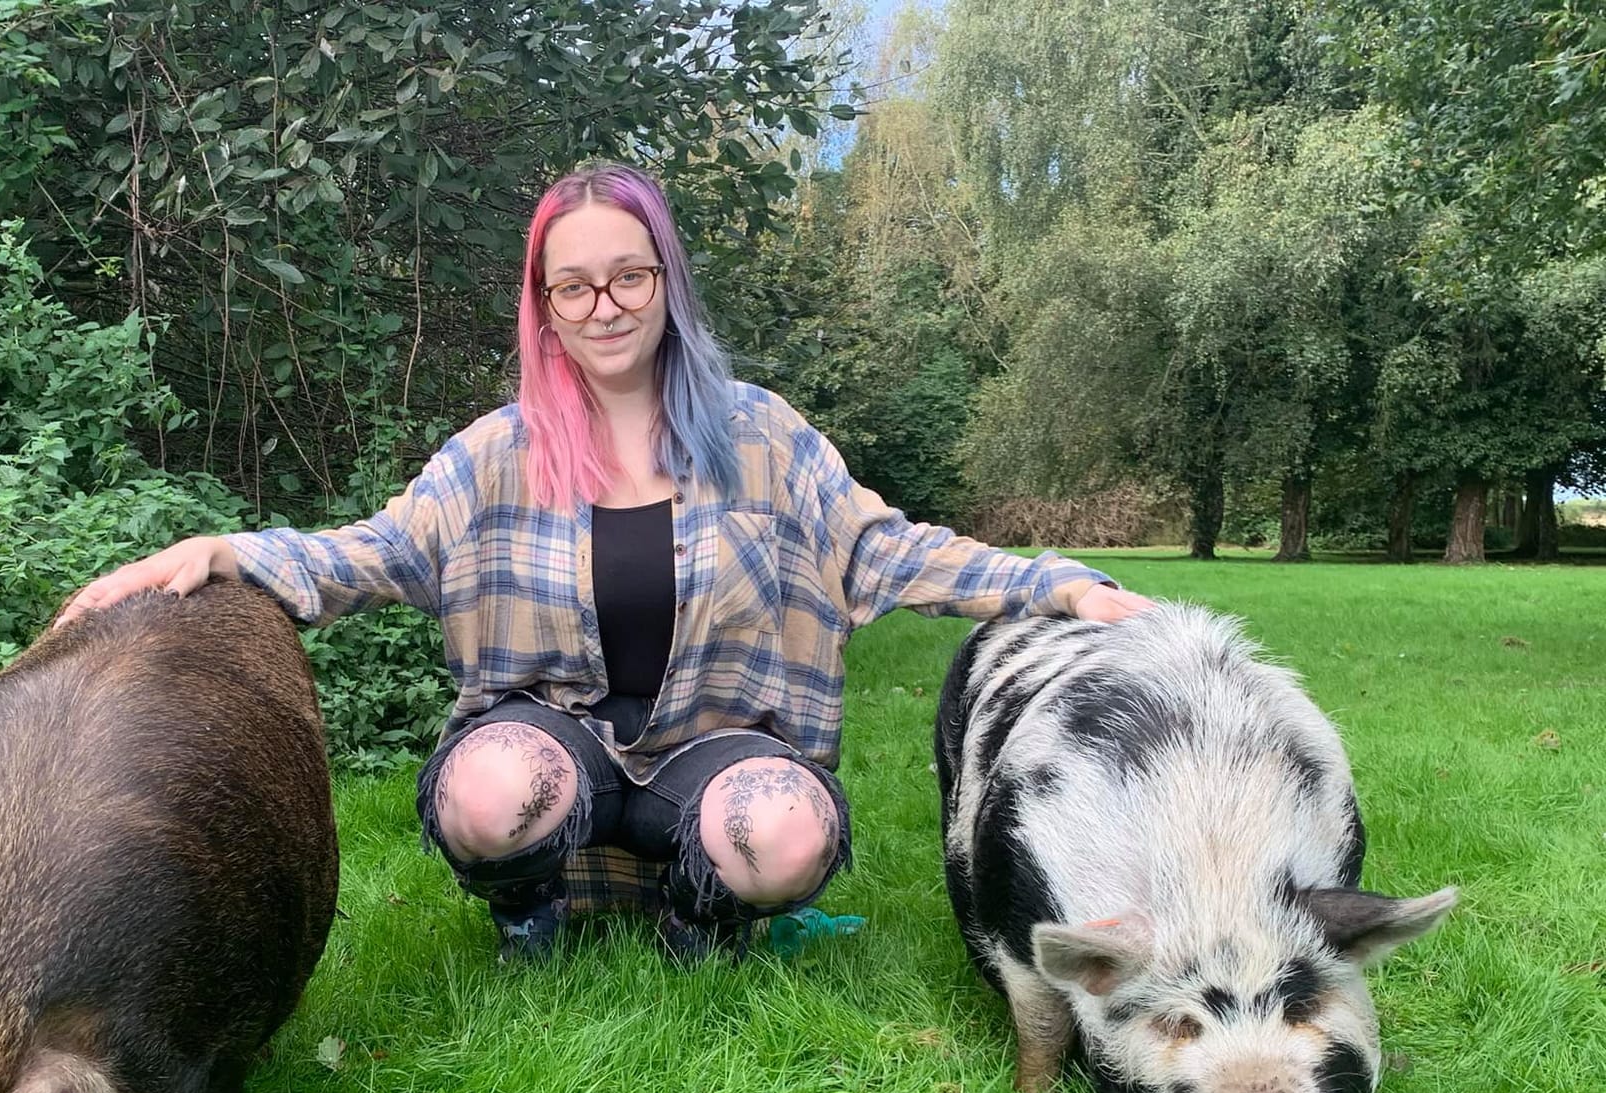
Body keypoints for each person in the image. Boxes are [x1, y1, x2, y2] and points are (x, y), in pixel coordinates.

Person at [59, 162, 1153, 964]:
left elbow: (880, 545)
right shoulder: (496, 453)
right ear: (543, 307)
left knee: (780, 831)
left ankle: (700, 919)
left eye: (626, 277)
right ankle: (529, 914)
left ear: (664, 280)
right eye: (572, 287)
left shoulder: (760, 435)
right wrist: (226, 553)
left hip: (714, 751)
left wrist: (1044, 583)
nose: (603, 306)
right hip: (554, 738)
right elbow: (377, 551)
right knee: (490, 794)